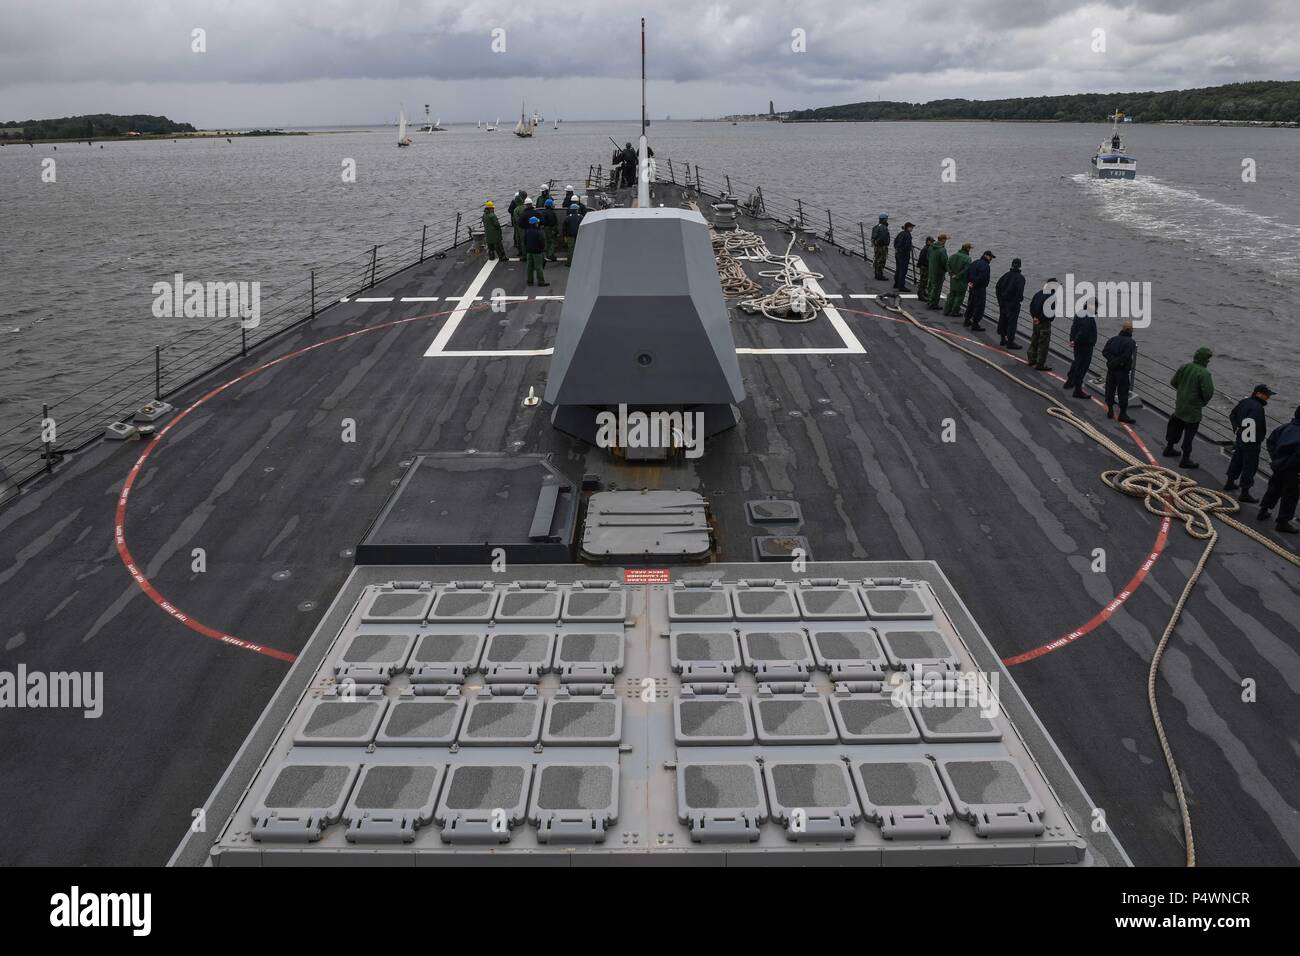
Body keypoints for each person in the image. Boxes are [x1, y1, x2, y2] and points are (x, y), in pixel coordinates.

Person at [1164, 347, 1215, 468]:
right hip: (1193, 411)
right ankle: (1185, 459)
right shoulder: (1204, 373)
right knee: (1189, 435)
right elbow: (1208, 392)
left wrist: (1182, 392)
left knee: (1175, 427)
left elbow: (1173, 382)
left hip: (1180, 405)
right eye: (1208, 358)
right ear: (1203, 358)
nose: (1208, 361)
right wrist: (1201, 402)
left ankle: (1169, 448)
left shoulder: (1185, 367)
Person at [1225, 385, 1274, 503]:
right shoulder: (1258, 408)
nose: (1268, 398)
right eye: (1266, 395)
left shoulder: (1244, 402)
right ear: (1259, 394)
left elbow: (1233, 415)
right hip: (1251, 441)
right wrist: (1256, 440)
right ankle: (1245, 492)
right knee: (1249, 465)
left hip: (1241, 438)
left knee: (1237, 460)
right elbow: (1255, 425)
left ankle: (1229, 482)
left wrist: (1236, 429)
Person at [1258, 405, 1300, 533]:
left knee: (1273, 488)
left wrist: (1276, 459)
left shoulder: (1284, 427)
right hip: (1292, 469)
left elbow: (1270, 441)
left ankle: (1263, 510)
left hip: (1278, 465)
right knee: (1290, 495)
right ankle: (1282, 522)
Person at [1101, 321, 1137, 422]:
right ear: (1131, 330)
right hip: (1122, 372)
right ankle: (1123, 414)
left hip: (1111, 370)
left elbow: (1104, 352)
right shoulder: (1131, 342)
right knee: (1123, 393)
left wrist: (1112, 361)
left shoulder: (1113, 339)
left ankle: (1110, 410)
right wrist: (1117, 362)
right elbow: (1126, 356)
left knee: (1110, 390)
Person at [1063, 298, 1097, 399]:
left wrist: (1072, 340)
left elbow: (1073, 327)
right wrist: (1076, 340)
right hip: (1085, 346)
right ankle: (1078, 390)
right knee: (1082, 367)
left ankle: (1069, 381)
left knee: (1076, 362)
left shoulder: (1079, 313)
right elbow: (1084, 331)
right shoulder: (1089, 317)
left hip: (1077, 345)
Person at [1026, 278, 1057, 371]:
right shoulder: (1052, 297)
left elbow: (1031, 306)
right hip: (1044, 323)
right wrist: (1042, 319)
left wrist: (1034, 317)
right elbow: (1049, 313)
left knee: (1034, 340)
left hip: (1035, 321)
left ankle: (1031, 359)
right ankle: (1040, 364)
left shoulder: (1038, 293)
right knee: (1043, 344)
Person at [994, 258, 1025, 348]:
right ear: (1019, 266)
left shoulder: (1005, 275)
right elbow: (1020, 292)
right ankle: (1010, 342)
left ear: (1012, 265)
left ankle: (1002, 339)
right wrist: (1018, 300)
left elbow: (997, 287)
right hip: (1013, 305)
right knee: (1012, 323)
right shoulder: (1020, 278)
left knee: (1003, 320)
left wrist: (1000, 301)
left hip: (1003, 303)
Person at [964, 249, 994, 330]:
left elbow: (967, 272)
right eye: (990, 257)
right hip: (979, 288)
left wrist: (969, 282)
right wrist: (975, 284)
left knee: (971, 303)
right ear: (986, 256)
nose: (991, 259)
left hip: (971, 287)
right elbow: (982, 277)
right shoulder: (985, 266)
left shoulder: (975, 262)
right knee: (979, 306)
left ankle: (966, 320)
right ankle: (975, 324)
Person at [943, 242, 972, 317]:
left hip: (952, 279)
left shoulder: (953, 256)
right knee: (959, 296)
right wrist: (957, 275)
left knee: (951, 295)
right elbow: (966, 270)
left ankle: (946, 310)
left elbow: (947, 264)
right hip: (961, 281)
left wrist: (951, 273)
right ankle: (955, 312)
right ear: (967, 249)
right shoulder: (967, 258)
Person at [523, 215, 548, 287]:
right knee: (538, 267)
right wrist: (542, 249)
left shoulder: (527, 231)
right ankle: (541, 281)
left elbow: (524, 241)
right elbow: (542, 242)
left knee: (529, 267)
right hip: (537, 252)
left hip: (529, 252)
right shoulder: (538, 232)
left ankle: (530, 281)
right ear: (535, 224)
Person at [926, 234, 949, 310]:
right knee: (937, 288)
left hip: (931, 270)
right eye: (945, 240)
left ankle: (929, 301)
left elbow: (928, 257)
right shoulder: (942, 250)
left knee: (930, 286)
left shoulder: (930, 248)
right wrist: (947, 270)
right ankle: (934, 304)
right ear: (943, 240)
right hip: (939, 272)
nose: (946, 241)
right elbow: (945, 262)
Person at [892, 222, 914, 291]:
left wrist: (897, 249)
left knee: (898, 269)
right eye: (911, 227)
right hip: (904, 255)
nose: (912, 228)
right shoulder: (908, 235)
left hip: (897, 254)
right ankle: (901, 286)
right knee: (903, 270)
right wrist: (910, 248)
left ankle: (896, 284)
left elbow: (895, 242)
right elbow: (907, 245)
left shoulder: (901, 233)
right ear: (908, 227)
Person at [512, 196, 534, 262]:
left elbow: (516, 220)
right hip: (529, 226)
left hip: (520, 228)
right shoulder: (525, 207)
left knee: (522, 241)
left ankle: (524, 255)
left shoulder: (516, 210)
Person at [507, 190, 528, 258]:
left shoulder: (518, 209)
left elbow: (517, 218)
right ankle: (521, 251)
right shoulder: (522, 207)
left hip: (519, 225)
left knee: (520, 238)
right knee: (520, 238)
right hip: (521, 225)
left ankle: (522, 252)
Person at [870, 214, 890, 281]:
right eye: (886, 219)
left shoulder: (875, 227)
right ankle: (880, 275)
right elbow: (883, 237)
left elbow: (873, 237)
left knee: (876, 259)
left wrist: (875, 242)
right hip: (882, 247)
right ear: (884, 220)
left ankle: (876, 274)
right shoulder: (884, 228)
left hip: (876, 247)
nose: (887, 220)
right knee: (881, 261)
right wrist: (880, 243)